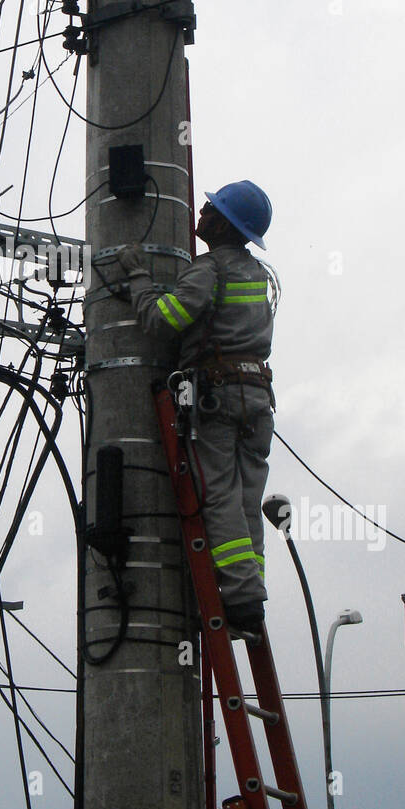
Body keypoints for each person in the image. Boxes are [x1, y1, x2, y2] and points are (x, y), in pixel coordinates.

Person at [117, 180, 275, 635]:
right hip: (258, 398)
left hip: (217, 398)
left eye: (210, 209)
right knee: (247, 501)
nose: (200, 213)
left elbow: (164, 321)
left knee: (220, 495)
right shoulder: (259, 275)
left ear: (224, 224)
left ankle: (242, 599)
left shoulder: (209, 269)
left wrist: (138, 277)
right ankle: (252, 599)